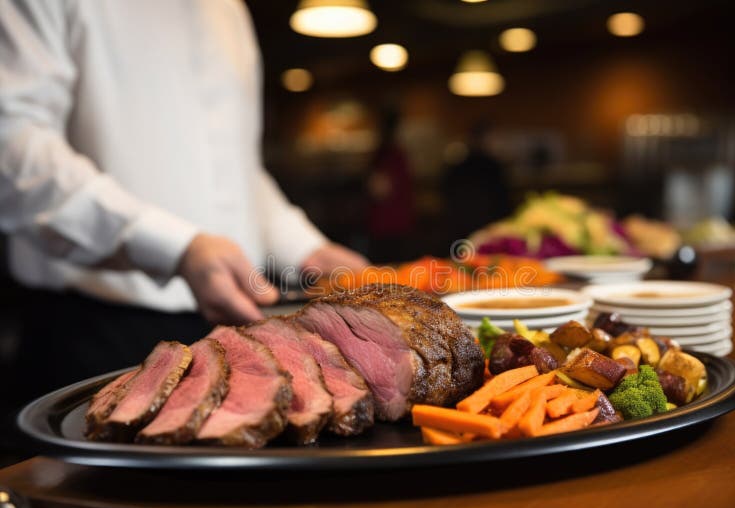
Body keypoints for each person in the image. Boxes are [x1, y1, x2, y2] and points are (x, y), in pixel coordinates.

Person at [0, 0, 368, 400]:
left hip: (235, 325)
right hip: (91, 329)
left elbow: (237, 167)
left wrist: (304, 248)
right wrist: (172, 246)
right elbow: (13, 145)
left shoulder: (230, 9)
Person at [442, 119, 511, 245]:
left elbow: (445, 191)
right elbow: (502, 200)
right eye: (496, 138)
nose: (500, 142)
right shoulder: (493, 166)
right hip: (486, 227)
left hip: (459, 227)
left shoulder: (457, 165)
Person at [364, 106, 415, 262]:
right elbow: (380, 189)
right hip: (388, 224)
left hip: (392, 223)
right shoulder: (390, 154)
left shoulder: (391, 154)